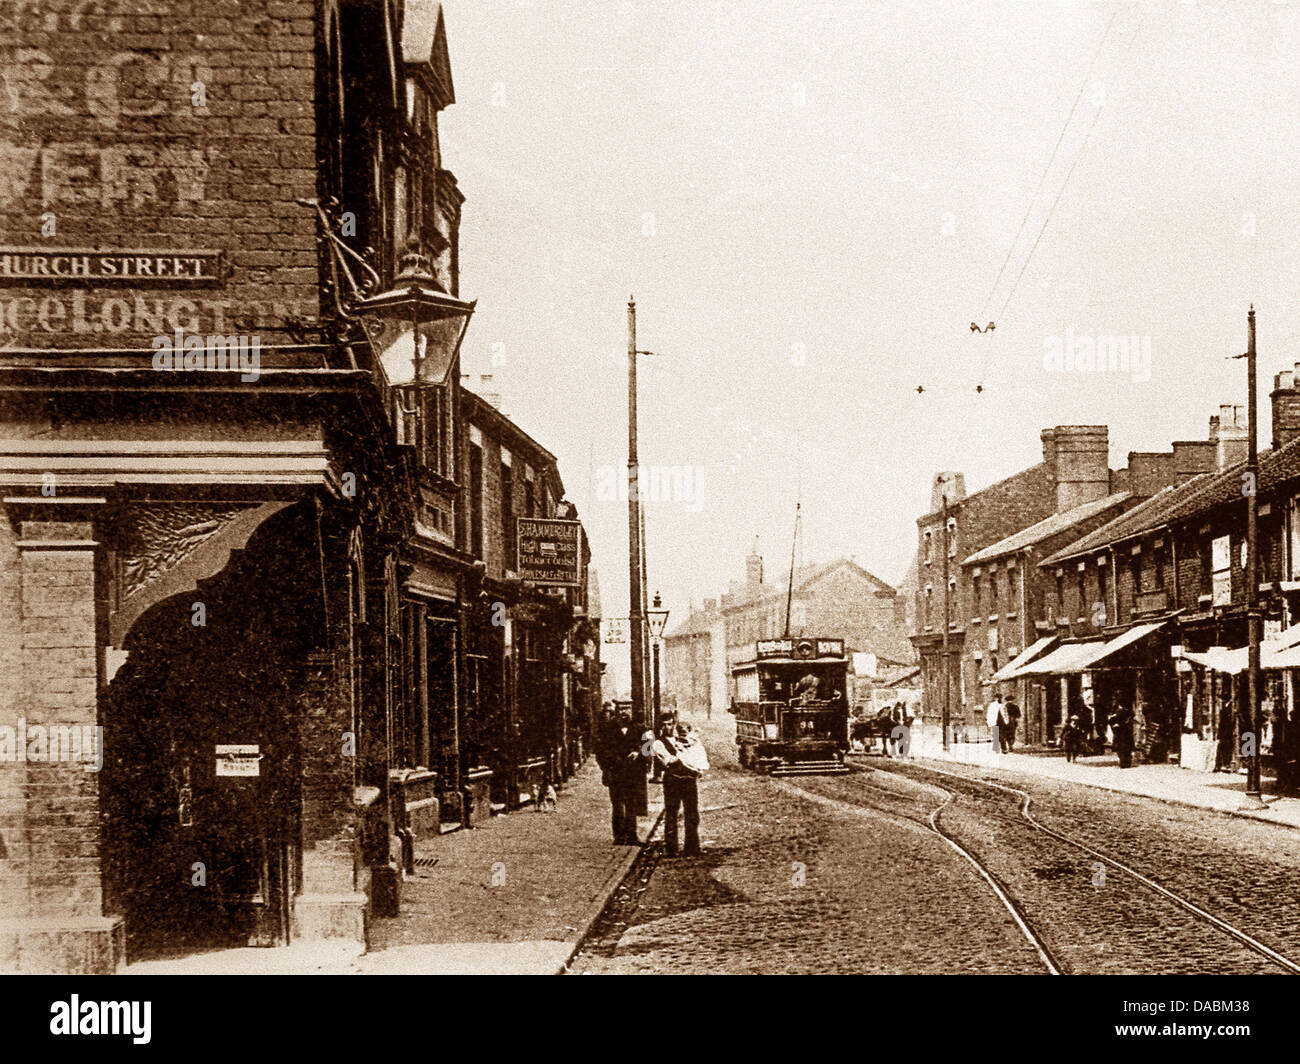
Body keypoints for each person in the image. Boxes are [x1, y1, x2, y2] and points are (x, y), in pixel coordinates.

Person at [652, 719, 707, 856]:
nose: (667, 727)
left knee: (692, 814)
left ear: (674, 725)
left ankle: (692, 847)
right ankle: (671, 849)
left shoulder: (686, 740)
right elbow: (669, 760)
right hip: (672, 781)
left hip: (689, 780)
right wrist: (685, 755)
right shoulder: (659, 743)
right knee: (671, 813)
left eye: (670, 724)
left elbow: (698, 756)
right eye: (664, 724)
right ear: (660, 727)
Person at [595, 704, 643, 845]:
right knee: (617, 804)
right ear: (616, 711)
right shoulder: (607, 729)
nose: (624, 712)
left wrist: (638, 752)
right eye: (621, 709)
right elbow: (599, 751)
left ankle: (632, 836)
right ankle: (619, 836)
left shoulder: (639, 728)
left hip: (633, 772)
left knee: (632, 804)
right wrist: (607, 767)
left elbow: (649, 745)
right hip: (615, 771)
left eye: (627, 709)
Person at [1109, 703, 1135, 768]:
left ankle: (1125, 761)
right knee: (1122, 746)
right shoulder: (1118, 711)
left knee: (1124, 746)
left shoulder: (1125, 711)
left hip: (1124, 731)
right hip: (1121, 731)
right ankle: (1125, 761)